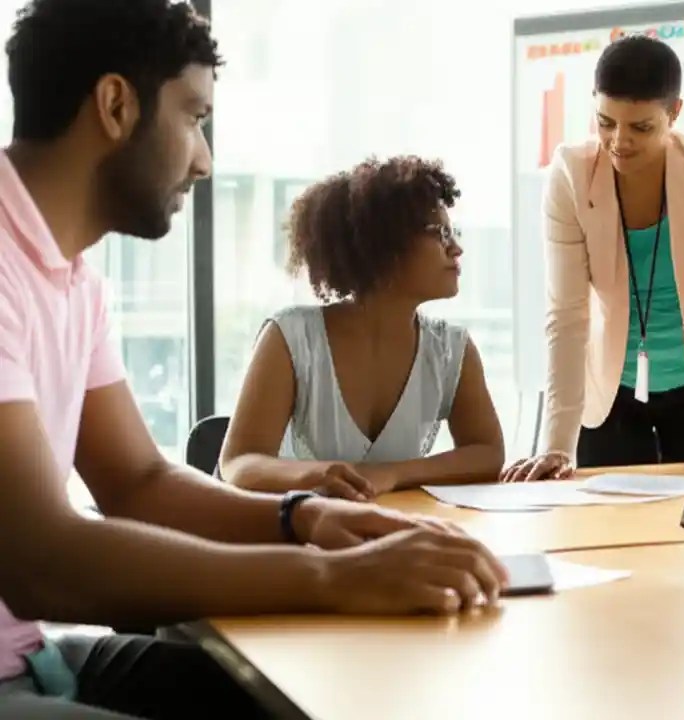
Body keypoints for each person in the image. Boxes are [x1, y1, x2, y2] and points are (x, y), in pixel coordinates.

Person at [0, 2, 507, 718]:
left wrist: (302, 518)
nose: (204, 160)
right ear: (115, 105)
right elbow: (41, 563)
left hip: (29, 656)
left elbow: (138, 482)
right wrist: (331, 579)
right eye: (193, 117)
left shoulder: (73, 279)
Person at [501, 36, 684, 482]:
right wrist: (556, 446)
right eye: (606, 123)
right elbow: (567, 315)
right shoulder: (571, 174)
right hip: (608, 391)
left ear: (674, 113)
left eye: (641, 127)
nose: (619, 142)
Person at [219, 156, 504, 500]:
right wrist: (318, 476)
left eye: (452, 232)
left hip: (399, 535)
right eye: (440, 234)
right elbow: (239, 462)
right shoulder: (290, 338)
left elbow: (487, 453)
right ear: (384, 245)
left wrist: (392, 474)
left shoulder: (452, 349)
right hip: (303, 540)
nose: (456, 248)